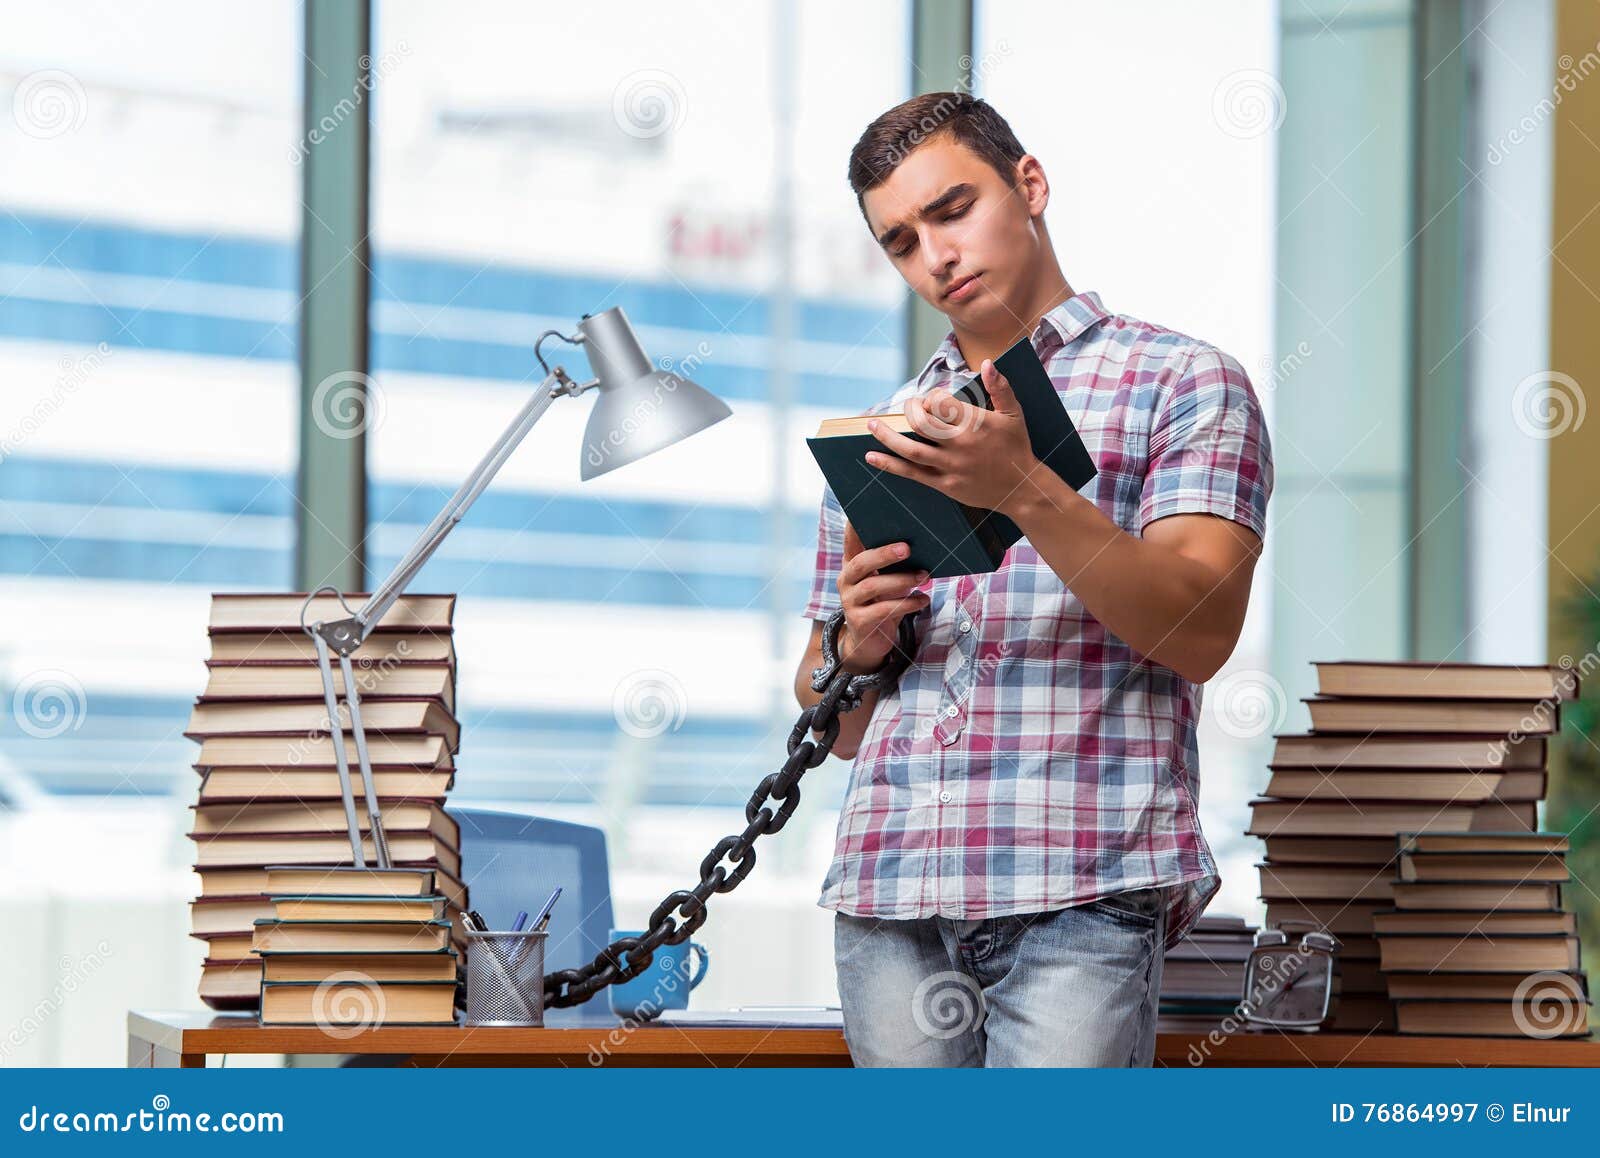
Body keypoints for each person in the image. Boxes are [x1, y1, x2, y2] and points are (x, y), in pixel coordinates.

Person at [793, 92, 1274, 1067]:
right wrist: (854, 647)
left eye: (951, 209)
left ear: (1029, 184)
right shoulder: (883, 434)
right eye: (899, 240)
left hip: (1079, 894)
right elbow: (833, 728)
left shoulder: (1182, 382)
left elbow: (1200, 631)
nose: (934, 254)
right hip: (890, 902)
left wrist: (1023, 487)